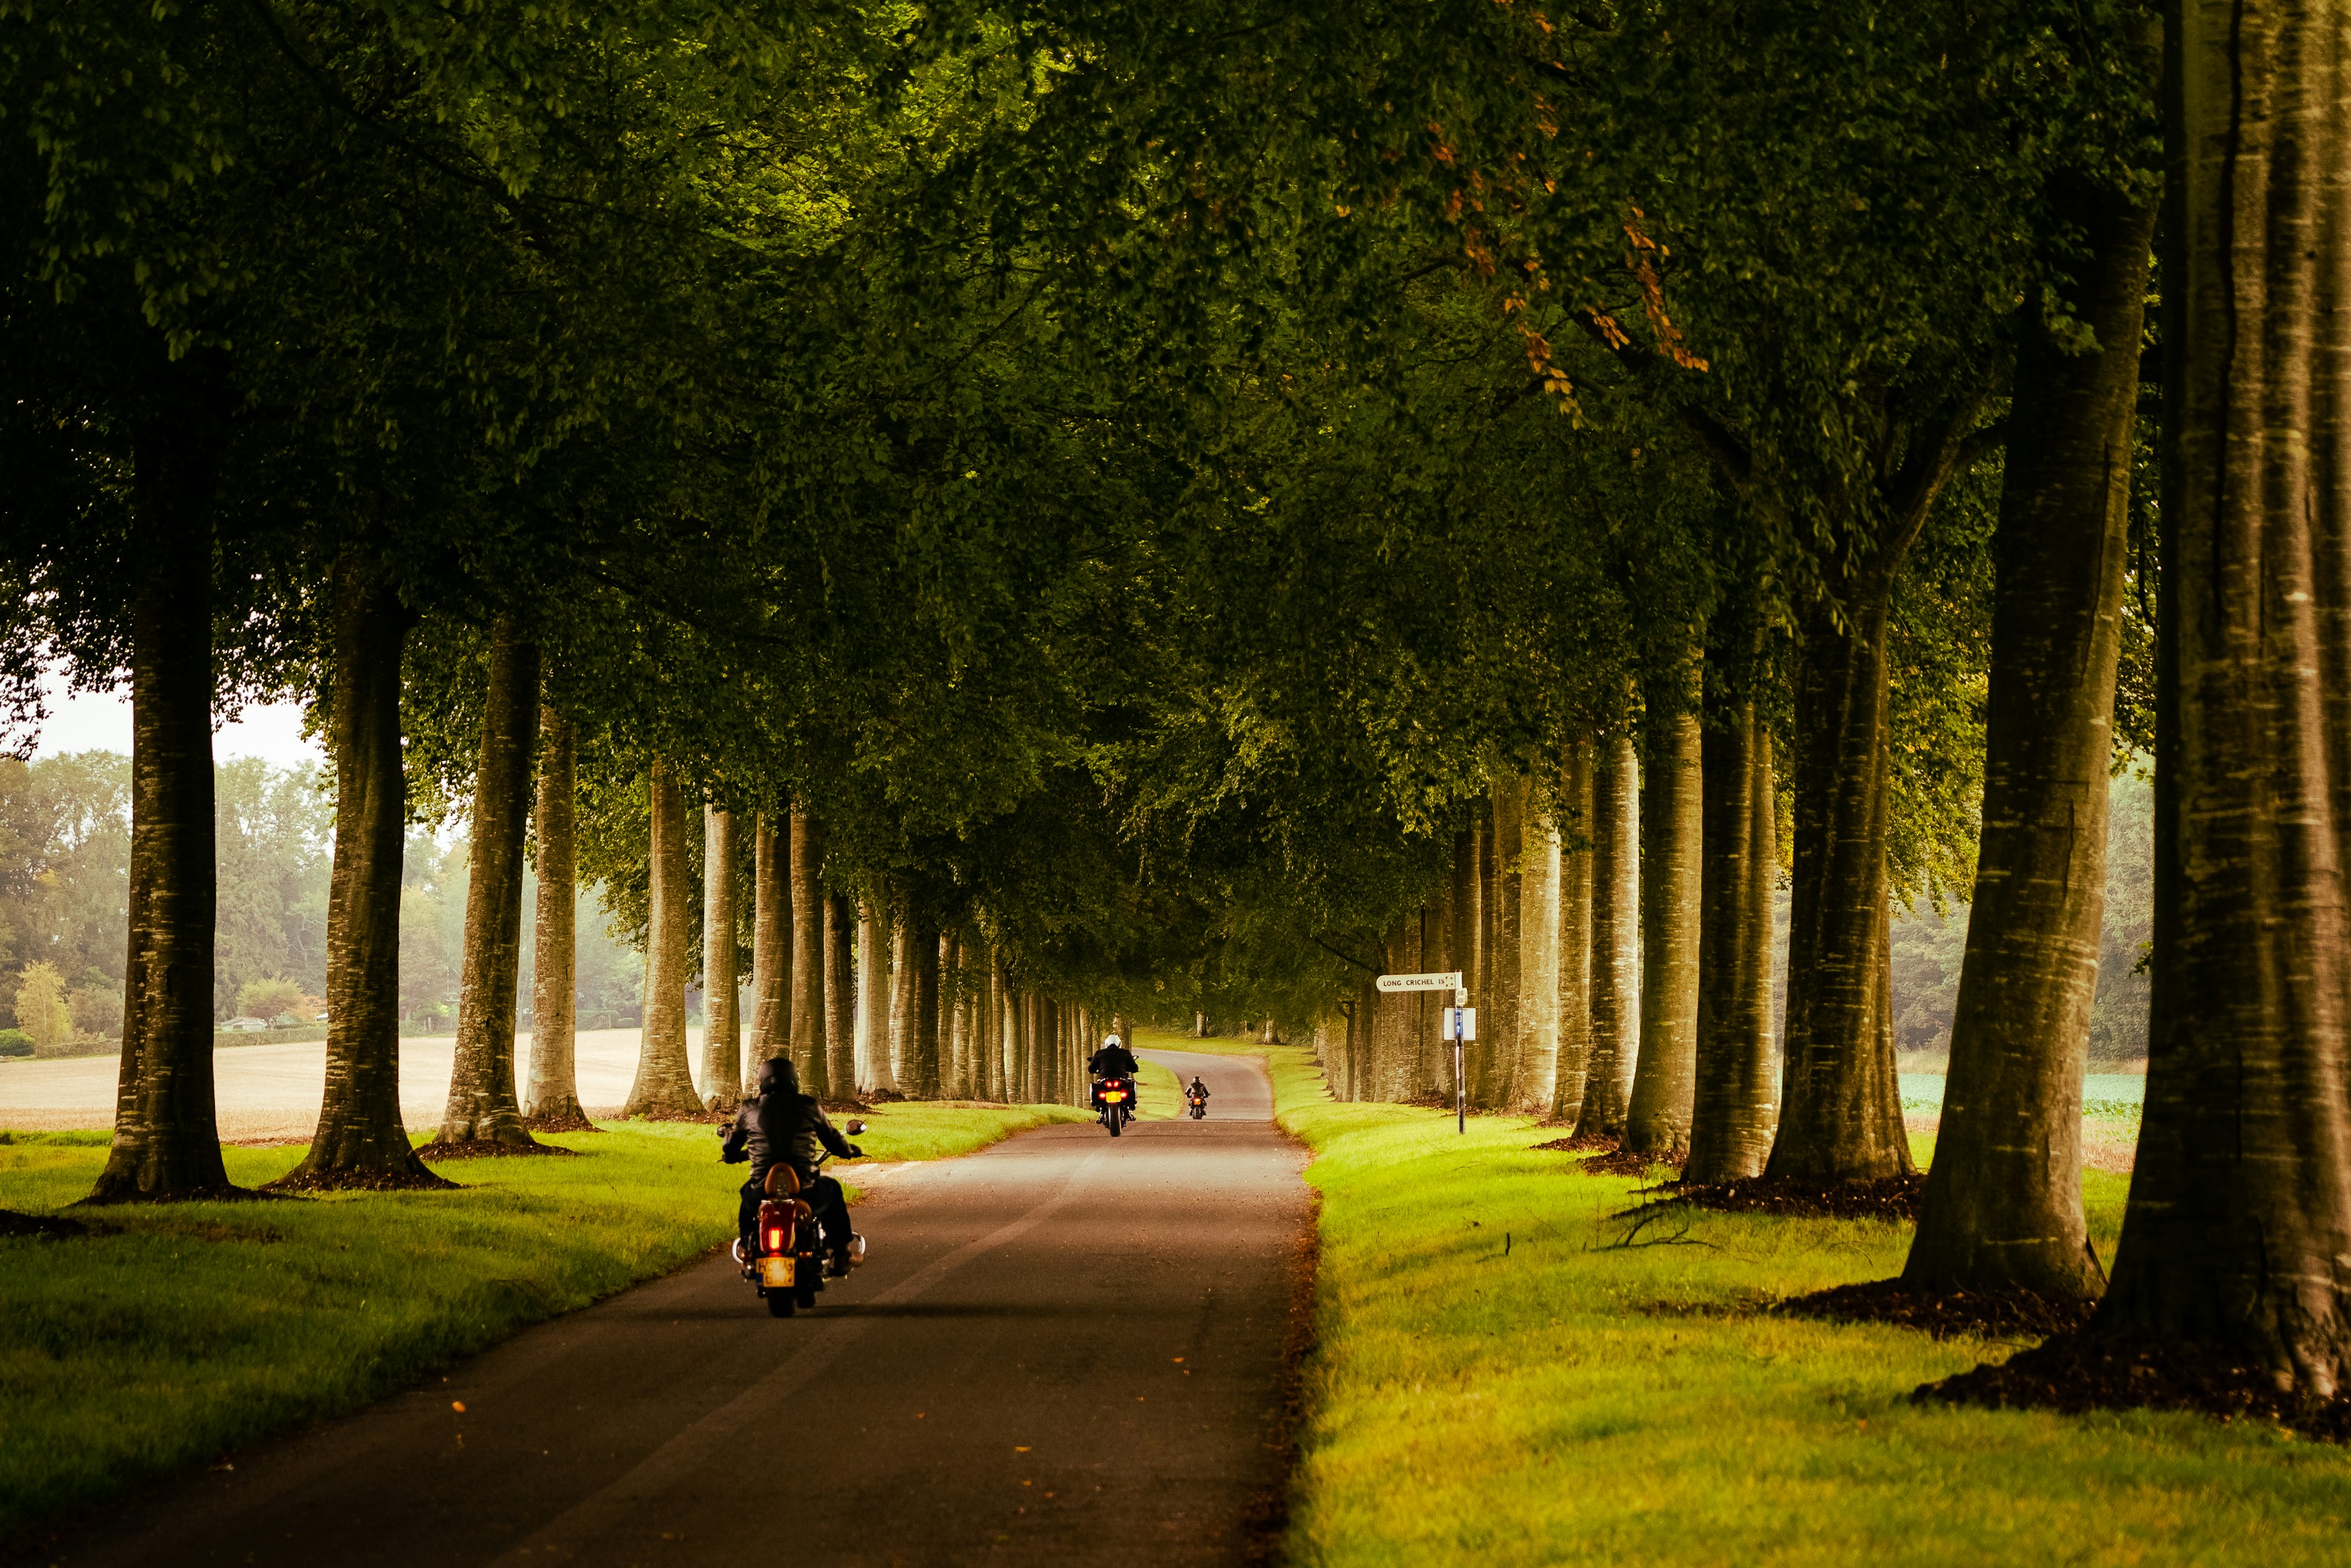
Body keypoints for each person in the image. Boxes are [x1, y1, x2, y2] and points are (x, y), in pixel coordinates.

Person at [721, 1057, 862, 1274]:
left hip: (761, 1189)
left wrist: (731, 1155)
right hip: (805, 1188)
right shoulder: (808, 1105)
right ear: (793, 1080)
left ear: (762, 1081)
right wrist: (849, 1151)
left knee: (746, 1194)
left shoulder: (748, 1109)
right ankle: (842, 1253)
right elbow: (832, 1139)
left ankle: (748, 1248)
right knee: (833, 1190)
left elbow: (730, 1148)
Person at [1087, 1032, 1141, 1117]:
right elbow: (1134, 1068)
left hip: (1105, 1079)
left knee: (1100, 1091)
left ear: (1106, 1044)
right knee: (1128, 1089)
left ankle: (1101, 1111)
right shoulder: (1125, 1053)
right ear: (1119, 1044)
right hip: (1121, 1079)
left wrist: (1095, 1070)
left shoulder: (1099, 1053)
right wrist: (1133, 1068)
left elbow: (1091, 1068)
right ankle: (1127, 1110)